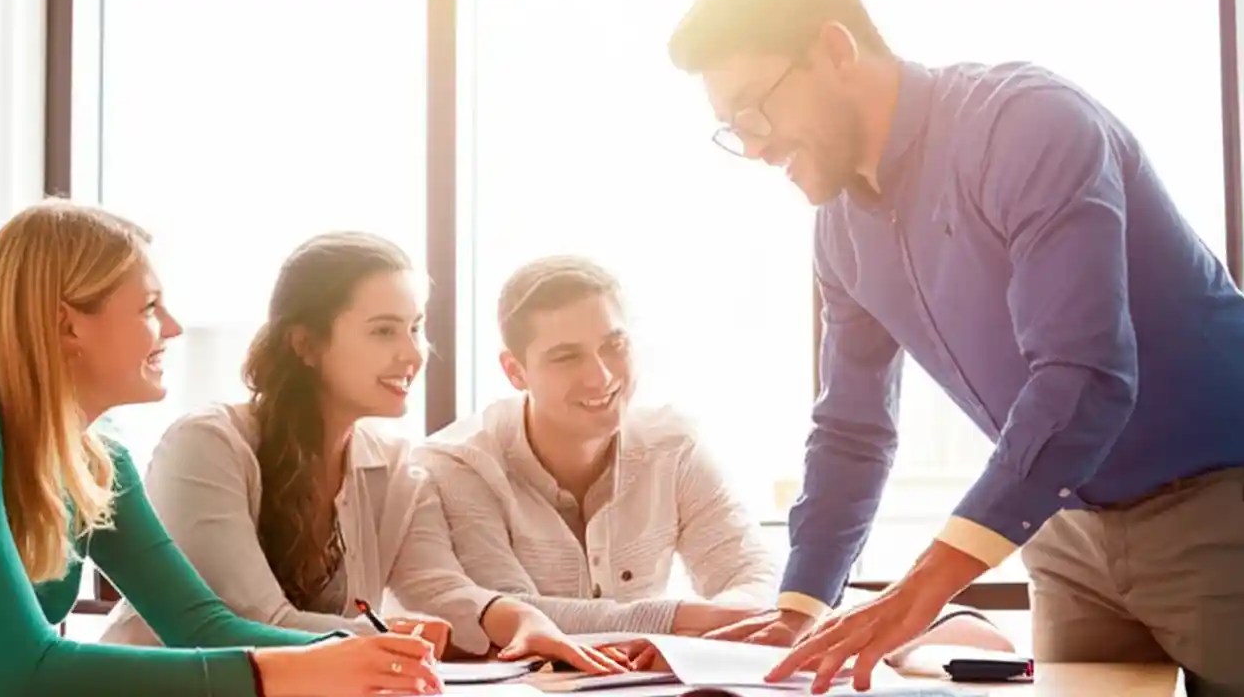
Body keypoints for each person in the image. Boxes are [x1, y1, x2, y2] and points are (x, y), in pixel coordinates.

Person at [667, 0, 1244, 694]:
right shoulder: (840, 232)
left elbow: (1084, 375)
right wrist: (799, 607)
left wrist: (923, 585)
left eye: (755, 108)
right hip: (1063, 529)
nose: (755, 146)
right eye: (734, 128)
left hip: (1218, 501)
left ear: (835, 50)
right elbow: (851, 429)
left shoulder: (1027, 125)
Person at [416, 255, 1013, 665]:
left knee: (972, 638)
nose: (600, 376)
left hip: (640, 684)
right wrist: (686, 622)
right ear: (515, 371)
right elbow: (513, 613)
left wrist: (709, 629)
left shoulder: (672, 444)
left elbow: (754, 581)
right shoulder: (457, 464)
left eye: (614, 345)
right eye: (566, 357)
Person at [0, 202, 440, 697]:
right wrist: (297, 670)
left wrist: (364, 656)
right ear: (68, 326)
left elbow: (201, 627)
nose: (172, 327)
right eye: (149, 307)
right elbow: (22, 671)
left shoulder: (98, 460)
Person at [100, 232, 628, 675]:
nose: (413, 353)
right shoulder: (208, 444)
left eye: (415, 328)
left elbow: (438, 585)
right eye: (383, 331)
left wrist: (521, 620)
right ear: (306, 344)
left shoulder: (396, 467)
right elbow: (252, 623)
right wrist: (389, 636)